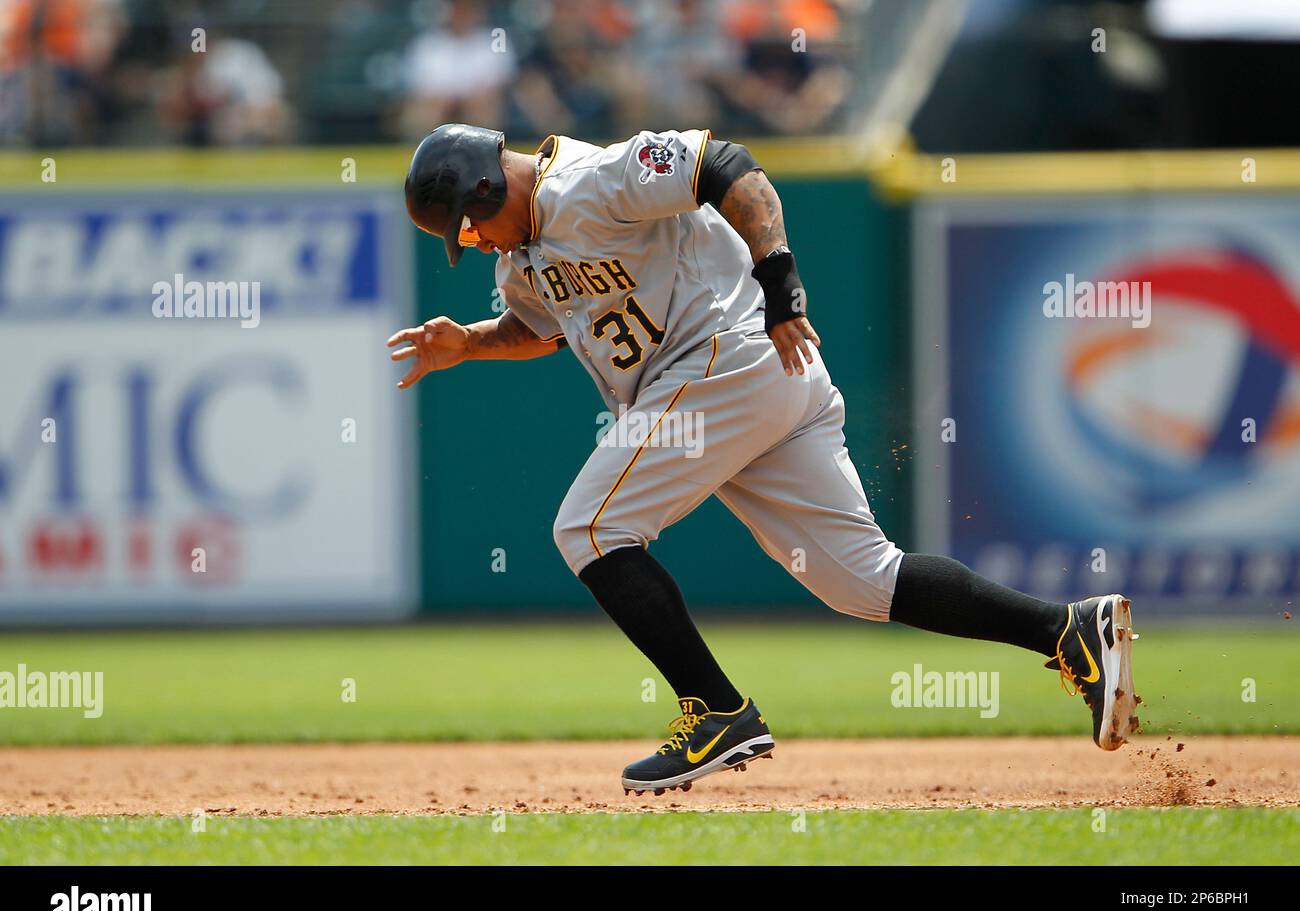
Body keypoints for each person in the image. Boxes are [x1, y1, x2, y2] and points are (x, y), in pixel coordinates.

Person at [389, 124, 1140, 795]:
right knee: (860, 581)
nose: (476, 243)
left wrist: (781, 283)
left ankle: (715, 710)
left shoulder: (596, 178)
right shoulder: (520, 255)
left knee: (590, 529)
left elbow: (728, 166)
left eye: (470, 226)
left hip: (727, 358)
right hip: (750, 389)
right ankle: (1067, 629)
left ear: (489, 186)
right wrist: (475, 342)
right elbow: (545, 324)